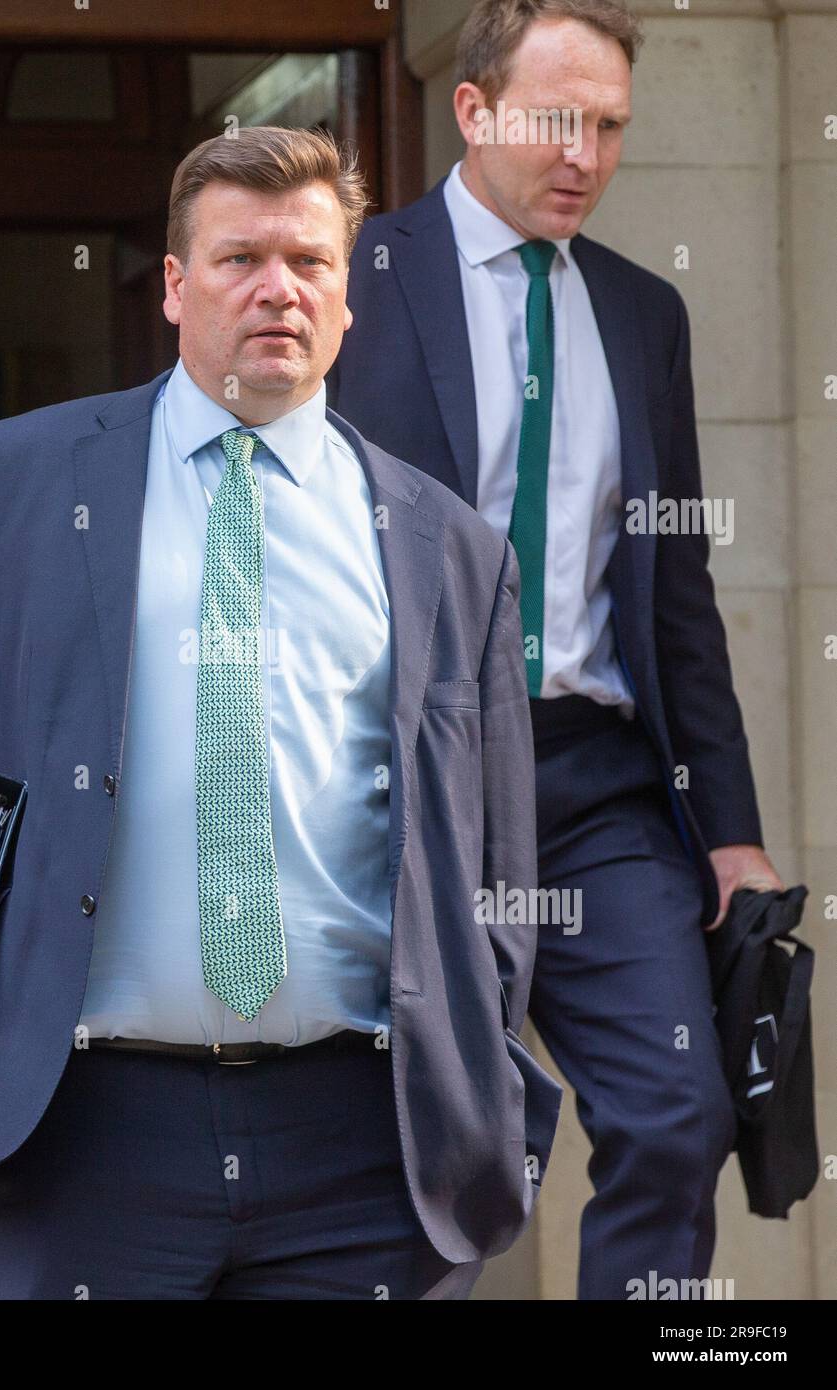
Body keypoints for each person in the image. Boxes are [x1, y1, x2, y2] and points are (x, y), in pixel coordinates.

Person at [0, 124, 561, 1301]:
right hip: (74, 1137)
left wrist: (483, 1050)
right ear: (174, 285)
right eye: (239, 259)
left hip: (362, 1158)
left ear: (346, 295)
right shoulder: (24, 482)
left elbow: (500, 850)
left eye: (311, 263)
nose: (279, 289)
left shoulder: (448, 544)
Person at [328, 0, 783, 1300]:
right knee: (413, 1142)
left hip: (595, 786)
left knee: (677, 1108)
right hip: (402, 778)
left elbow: (674, 594)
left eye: (609, 127)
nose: (582, 153)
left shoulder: (644, 316)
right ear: (470, 112)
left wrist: (728, 826)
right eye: (552, 120)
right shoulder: (352, 283)